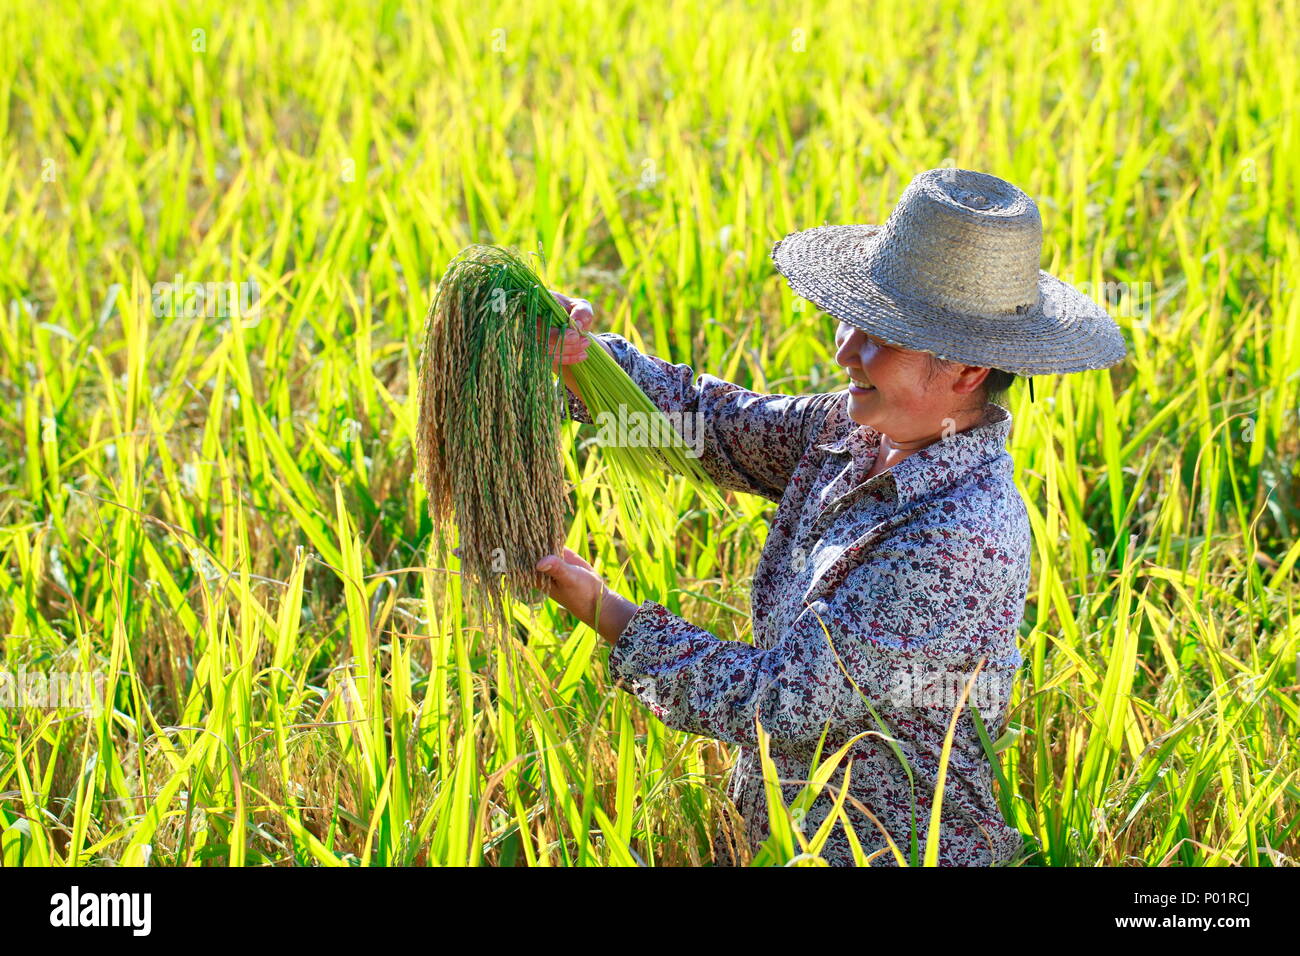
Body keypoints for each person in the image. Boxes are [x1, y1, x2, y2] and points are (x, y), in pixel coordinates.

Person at [535, 167, 1127, 866]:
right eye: (857, 319)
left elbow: (779, 701)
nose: (844, 348)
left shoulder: (960, 538)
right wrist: (582, 361)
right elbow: (713, 427)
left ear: (967, 370)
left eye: (881, 336)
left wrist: (608, 612)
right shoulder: (853, 432)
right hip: (795, 837)